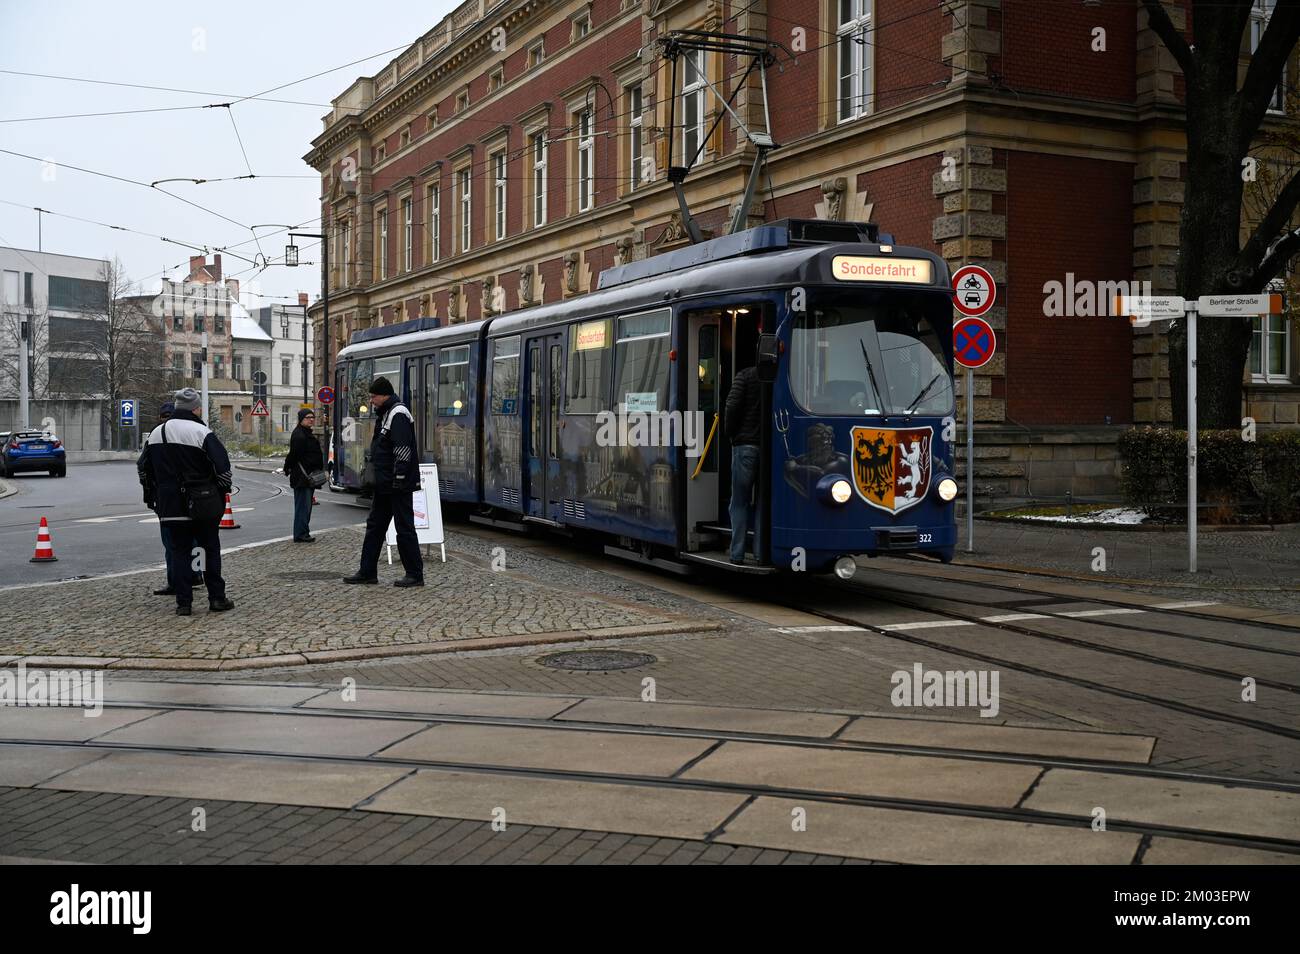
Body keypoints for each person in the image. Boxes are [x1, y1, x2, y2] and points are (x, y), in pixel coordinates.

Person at [139, 387, 235, 616]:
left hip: (169, 505)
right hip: (203, 503)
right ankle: (217, 599)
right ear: (197, 408)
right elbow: (223, 469)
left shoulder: (156, 434)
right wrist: (220, 491)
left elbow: (143, 470)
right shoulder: (202, 432)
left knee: (179, 552)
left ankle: (184, 603)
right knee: (209, 549)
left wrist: (154, 495)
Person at [343, 376, 424, 587]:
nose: (371, 400)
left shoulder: (398, 414)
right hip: (385, 483)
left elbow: (402, 450)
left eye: (373, 396)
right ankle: (368, 571)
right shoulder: (386, 413)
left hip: (397, 483)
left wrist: (398, 477)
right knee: (375, 526)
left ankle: (415, 574)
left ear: (384, 395)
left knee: (404, 527)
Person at [724, 363, 764, 564]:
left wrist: (731, 435)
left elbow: (732, 406)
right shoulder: (778, 376)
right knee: (762, 504)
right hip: (769, 450)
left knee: (739, 501)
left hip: (745, 446)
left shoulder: (745, 375)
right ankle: (760, 552)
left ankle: (737, 553)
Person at [283, 408, 323, 542]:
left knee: (306, 506)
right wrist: (287, 467)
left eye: (312, 417)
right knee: (303, 507)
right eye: (308, 417)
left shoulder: (305, 433)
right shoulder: (300, 435)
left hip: (307, 476)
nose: (311, 419)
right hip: (302, 477)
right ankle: (301, 534)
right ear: (301, 420)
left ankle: (303, 532)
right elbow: (293, 455)